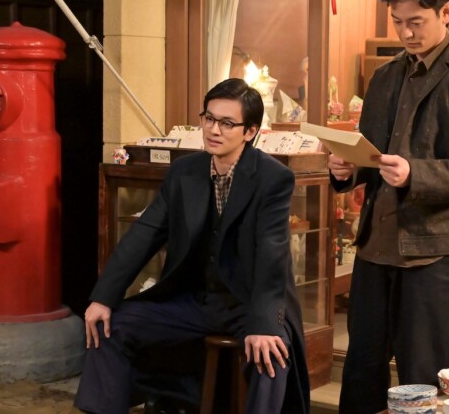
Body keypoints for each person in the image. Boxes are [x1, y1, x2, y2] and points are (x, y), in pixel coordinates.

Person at [327, 0, 449, 414]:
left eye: (416, 22)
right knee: (361, 366)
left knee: (422, 373)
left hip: (433, 250)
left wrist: (414, 174)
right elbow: (372, 153)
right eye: (397, 22)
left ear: (447, 12)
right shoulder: (385, 76)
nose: (405, 33)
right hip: (376, 245)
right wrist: (348, 170)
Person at [74, 78, 310, 414]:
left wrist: (264, 324)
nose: (213, 129)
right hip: (194, 301)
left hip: (249, 302)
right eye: (208, 118)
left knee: (271, 353)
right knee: (110, 326)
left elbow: (272, 255)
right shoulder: (184, 171)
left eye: (226, 123)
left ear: (249, 132)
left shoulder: (273, 178)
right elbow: (145, 233)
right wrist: (103, 297)